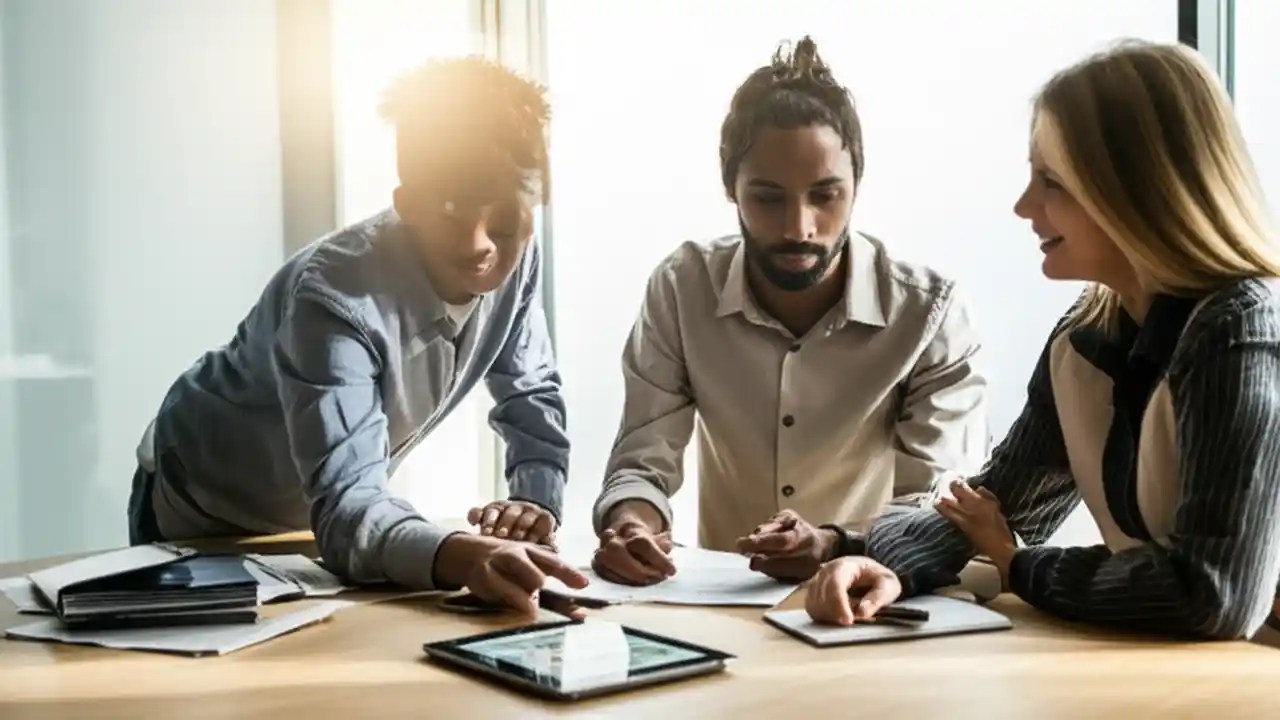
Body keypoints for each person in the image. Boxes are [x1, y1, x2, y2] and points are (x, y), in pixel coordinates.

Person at [805, 40, 1280, 647]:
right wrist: (882, 565)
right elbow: (993, 506)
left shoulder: (1241, 331)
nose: (1024, 206)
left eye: (1050, 182)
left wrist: (1021, 565)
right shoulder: (1085, 337)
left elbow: (1212, 595)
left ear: (1135, 188)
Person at [128, 57, 588, 614]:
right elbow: (347, 505)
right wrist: (462, 553)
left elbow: (531, 393)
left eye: (506, 222)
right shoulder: (333, 299)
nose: (479, 245)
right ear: (407, 204)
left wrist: (533, 507)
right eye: (451, 211)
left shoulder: (521, 259)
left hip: (319, 526)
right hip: (201, 507)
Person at [590, 36, 990, 586]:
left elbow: (937, 504)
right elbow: (642, 461)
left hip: (879, 599)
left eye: (825, 196)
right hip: (724, 603)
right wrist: (631, 525)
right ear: (731, 187)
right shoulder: (682, 288)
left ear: (857, 186)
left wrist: (832, 546)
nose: (798, 227)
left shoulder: (929, 314)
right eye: (768, 198)